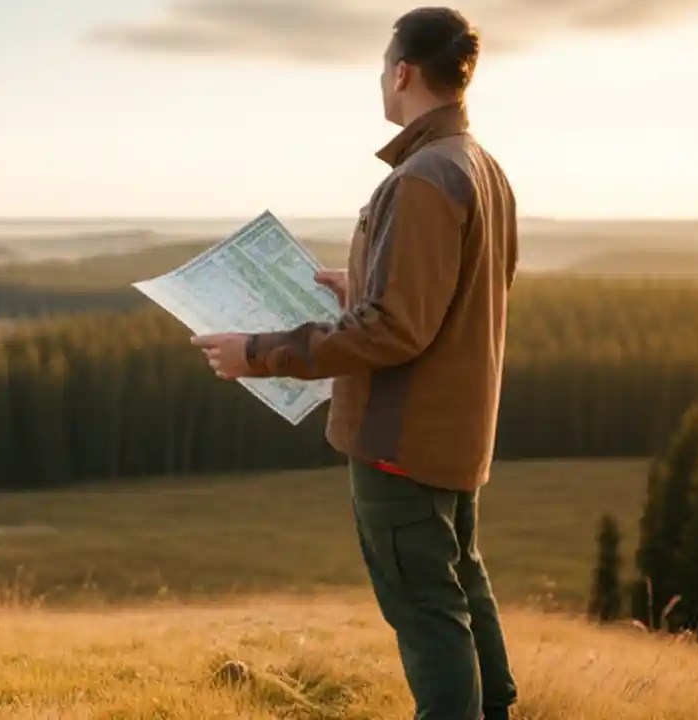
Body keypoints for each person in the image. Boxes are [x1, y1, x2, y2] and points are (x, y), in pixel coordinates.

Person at [191, 7, 518, 719]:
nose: (380, 77)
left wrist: (257, 353)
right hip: (451, 435)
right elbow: (453, 296)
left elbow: (393, 331)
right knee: (460, 584)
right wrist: (364, 278)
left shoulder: (423, 177)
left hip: (402, 442)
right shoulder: (479, 167)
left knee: (428, 610)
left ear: (403, 72)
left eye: (383, 65)